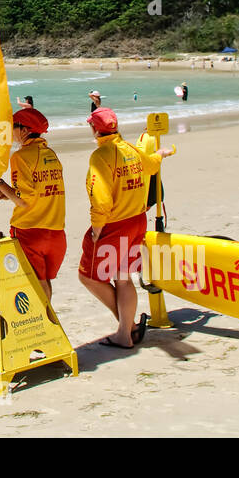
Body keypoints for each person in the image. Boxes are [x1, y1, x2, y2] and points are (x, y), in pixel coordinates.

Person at [79, 107, 176, 348]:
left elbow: (100, 199)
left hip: (115, 224)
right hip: (137, 221)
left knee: (88, 276)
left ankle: (127, 326)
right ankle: (125, 332)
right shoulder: (131, 149)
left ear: (94, 128)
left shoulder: (101, 156)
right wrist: (162, 153)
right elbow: (150, 165)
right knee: (123, 278)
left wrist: (97, 228)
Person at [0, 108, 65, 307]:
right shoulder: (51, 155)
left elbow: (23, 200)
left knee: (36, 283)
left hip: (29, 230)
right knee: (43, 282)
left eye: (13, 127)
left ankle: (46, 325)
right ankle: (48, 322)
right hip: (56, 231)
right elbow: (38, 191)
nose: (11, 132)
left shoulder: (21, 156)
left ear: (24, 130)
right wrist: (8, 194)